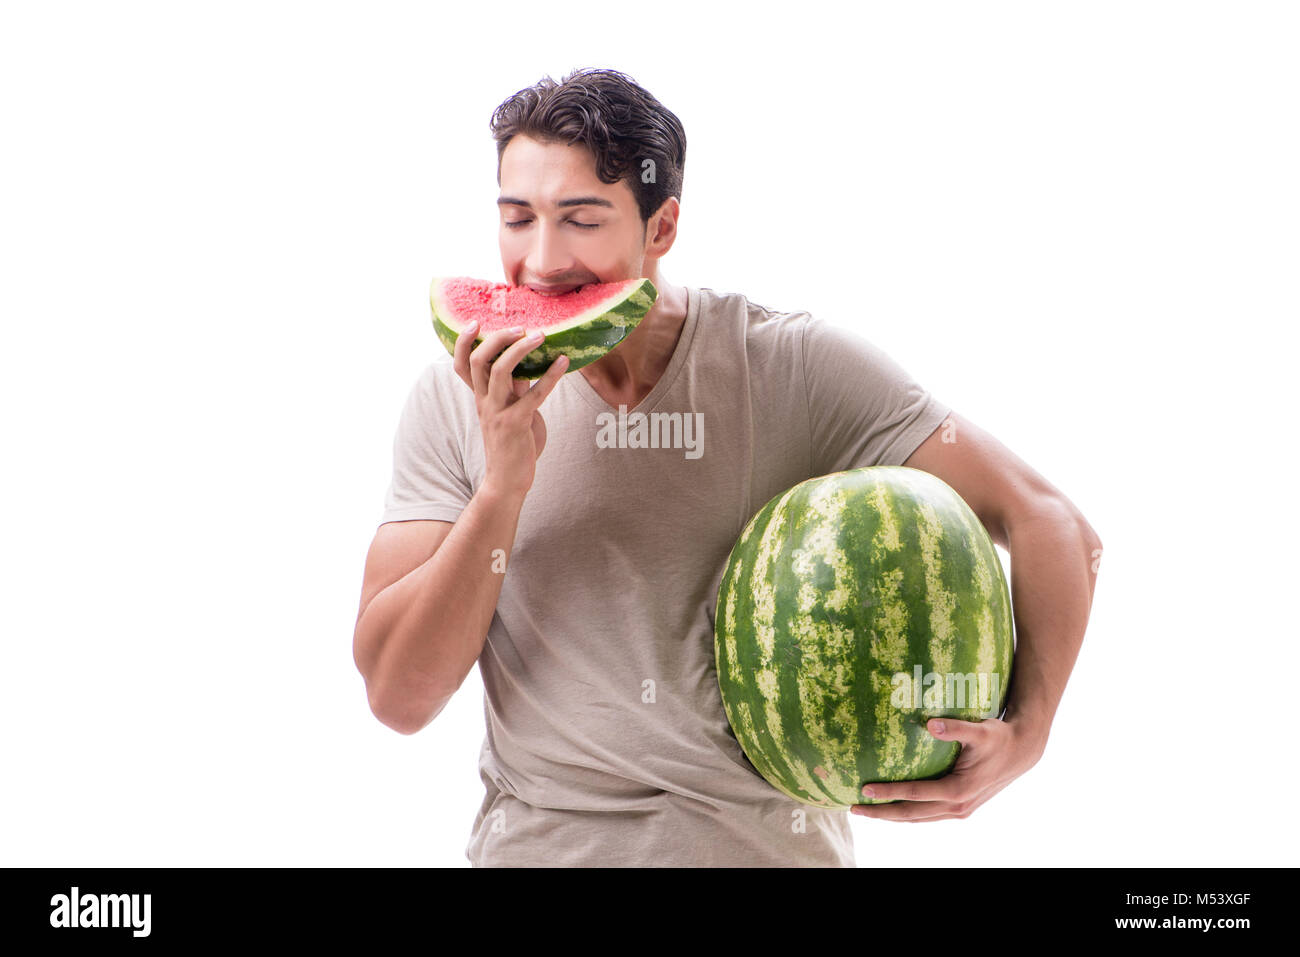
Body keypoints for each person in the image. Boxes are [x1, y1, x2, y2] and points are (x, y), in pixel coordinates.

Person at [352, 68, 1102, 867]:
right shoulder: (452, 399)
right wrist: (501, 489)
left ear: (661, 225)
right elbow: (399, 697)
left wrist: (1031, 728)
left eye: (580, 220)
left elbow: (1052, 523)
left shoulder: (791, 368)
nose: (540, 262)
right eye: (517, 219)